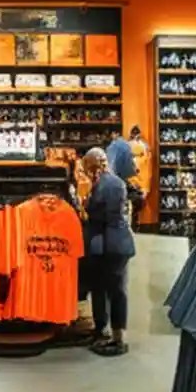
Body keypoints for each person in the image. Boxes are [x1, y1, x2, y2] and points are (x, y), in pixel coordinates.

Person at [81, 147, 134, 357]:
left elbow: (103, 216)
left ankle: (118, 338)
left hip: (113, 245)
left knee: (115, 291)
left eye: (86, 167)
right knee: (101, 288)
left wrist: (87, 209)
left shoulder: (108, 184)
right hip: (109, 244)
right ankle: (102, 330)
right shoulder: (109, 182)